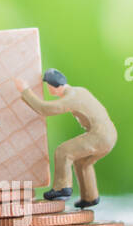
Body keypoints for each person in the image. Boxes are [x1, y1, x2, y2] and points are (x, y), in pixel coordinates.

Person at [14, 69, 116, 209]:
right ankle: (90, 196)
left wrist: (25, 90)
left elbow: (44, 109)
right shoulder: (80, 90)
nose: (48, 89)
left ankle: (62, 188)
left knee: (64, 152)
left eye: (48, 86)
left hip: (99, 136)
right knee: (83, 162)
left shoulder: (72, 98)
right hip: (109, 135)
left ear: (55, 86)